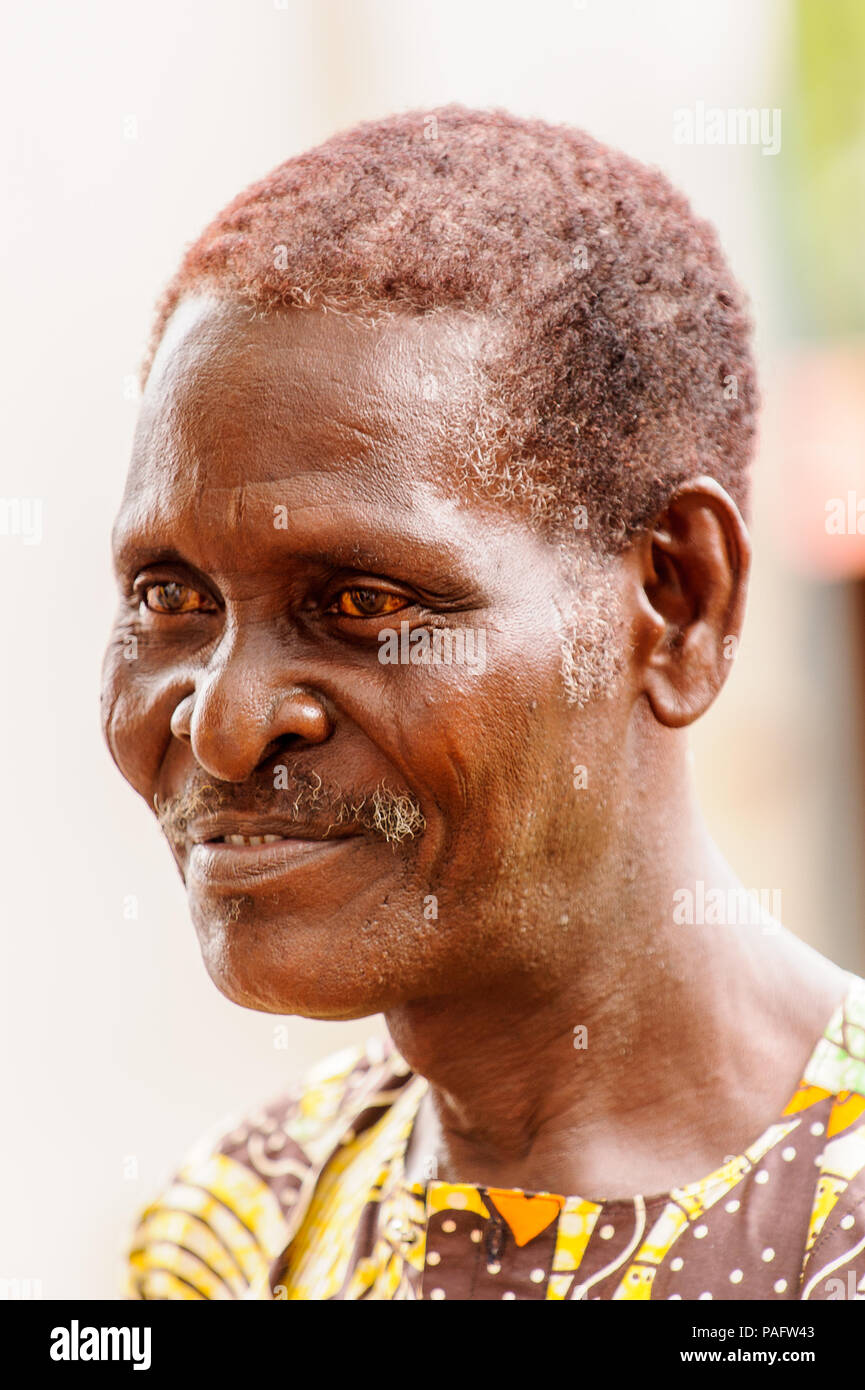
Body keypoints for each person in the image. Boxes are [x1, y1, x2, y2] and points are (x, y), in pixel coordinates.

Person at [102, 104, 865, 1301]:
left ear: (676, 598)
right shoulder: (237, 1226)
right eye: (170, 595)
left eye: (358, 600)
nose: (223, 724)